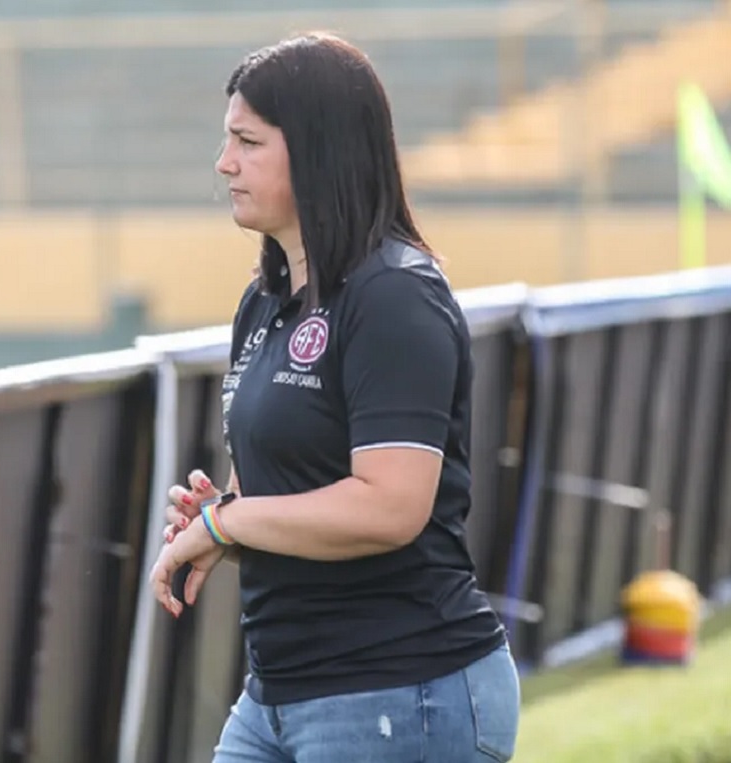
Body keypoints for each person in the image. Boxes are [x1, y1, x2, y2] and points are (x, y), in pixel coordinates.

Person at [149, 32, 521, 763]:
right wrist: (221, 511)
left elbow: (389, 506)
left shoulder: (393, 295)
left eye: (248, 142)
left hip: (402, 691)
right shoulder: (266, 299)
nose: (225, 163)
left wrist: (230, 525)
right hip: (277, 695)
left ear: (316, 152)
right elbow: (276, 477)